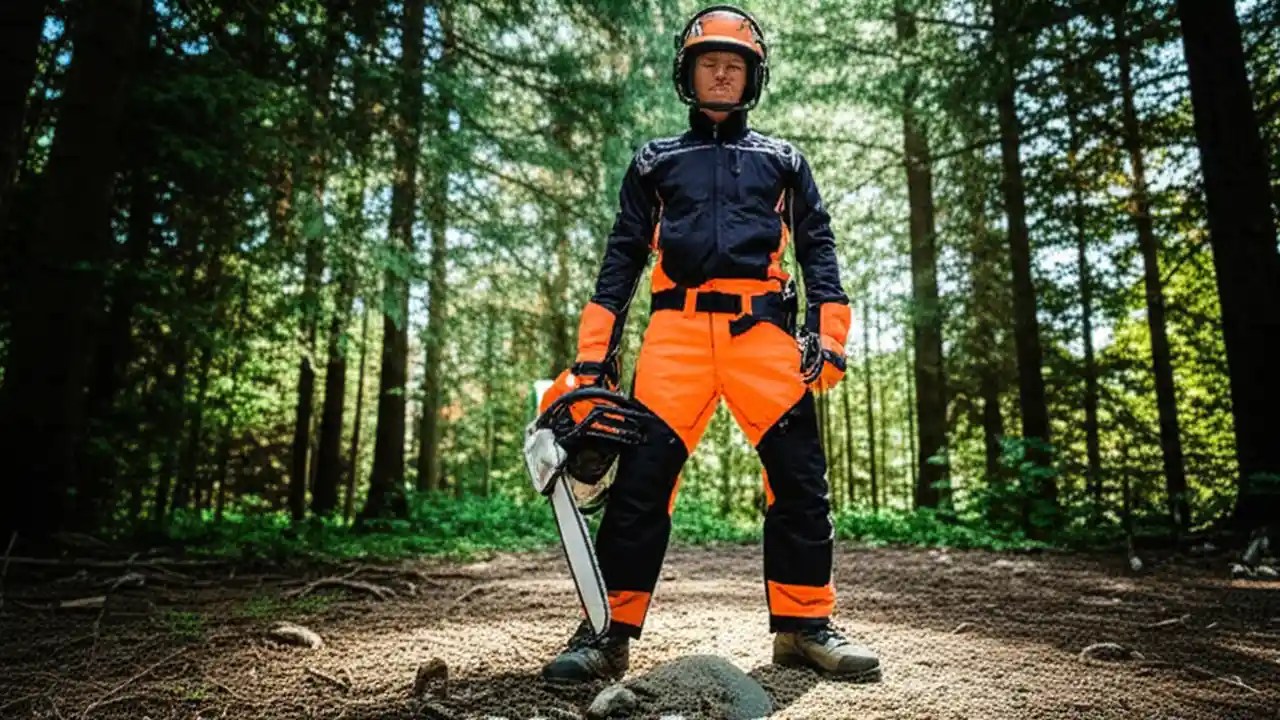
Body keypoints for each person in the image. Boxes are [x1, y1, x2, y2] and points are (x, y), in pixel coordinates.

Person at [538, 5, 881, 684]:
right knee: (639, 486)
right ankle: (607, 633)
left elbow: (818, 249)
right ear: (687, 75)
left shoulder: (784, 162)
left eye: (734, 65)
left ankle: (804, 627)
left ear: (753, 77)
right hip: (676, 337)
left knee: (800, 482)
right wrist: (591, 359)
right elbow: (621, 260)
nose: (721, 74)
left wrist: (829, 335)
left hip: (766, 336)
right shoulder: (655, 162)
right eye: (709, 63)